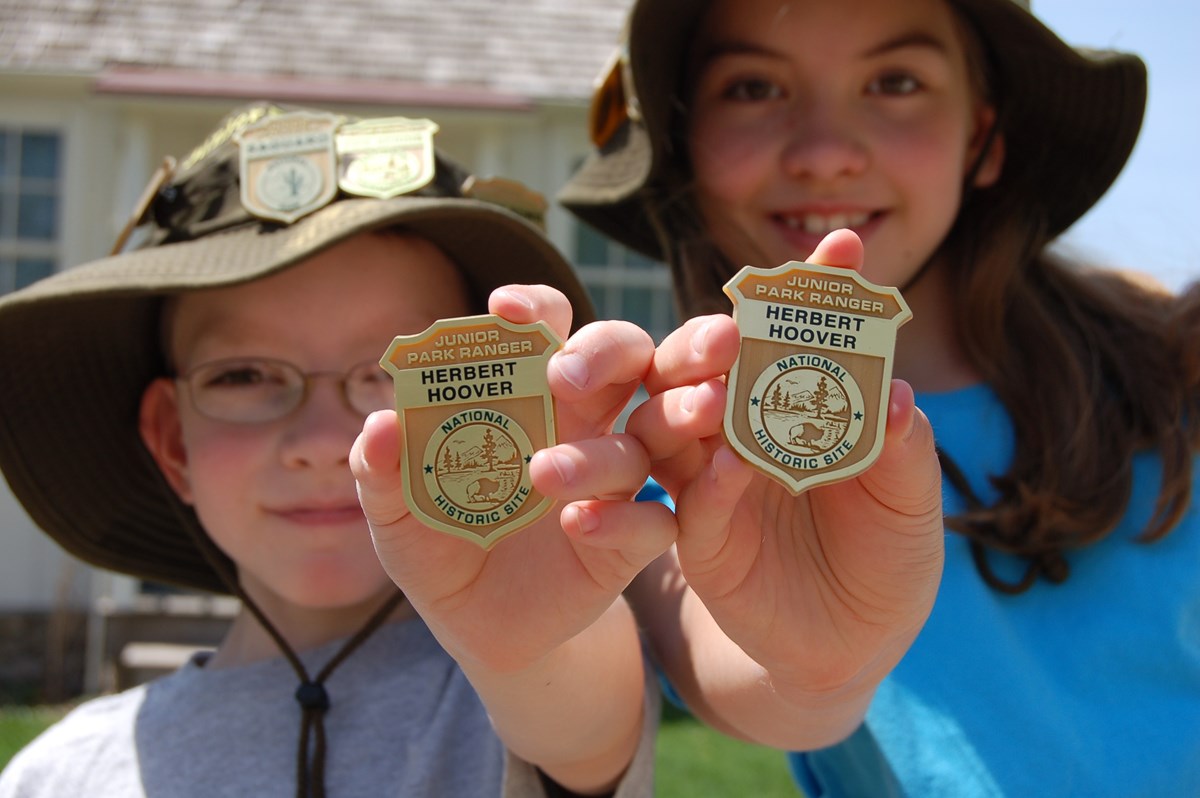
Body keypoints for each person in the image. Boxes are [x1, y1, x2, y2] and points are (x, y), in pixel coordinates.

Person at [560, 0, 1200, 795]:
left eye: (896, 82)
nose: (825, 154)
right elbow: (765, 686)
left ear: (983, 138)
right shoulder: (678, 467)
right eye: (753, 87)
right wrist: (816, 671)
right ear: (686, 147)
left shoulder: (1180, 380)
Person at [0, 102, 667, 797]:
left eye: (391, 372)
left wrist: (530, 646)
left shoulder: (526, 690)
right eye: (243, 375)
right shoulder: (58, 776)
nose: (322, 445)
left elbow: (577, 702)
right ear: (172, 443)